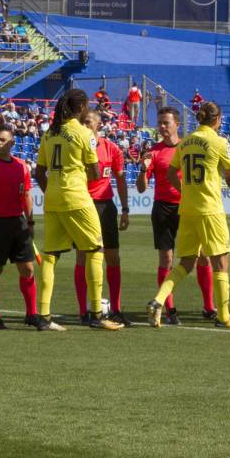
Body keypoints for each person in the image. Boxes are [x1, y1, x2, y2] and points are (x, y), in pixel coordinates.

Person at [147, 102, 230, 329]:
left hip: (188, 209)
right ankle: (224, 317)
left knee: (185, 262)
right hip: (210, 209)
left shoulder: (187, 142)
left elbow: (171, 172)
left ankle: (159, 300)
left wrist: (184, 191)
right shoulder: (219, 141)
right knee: (221, 263)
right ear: (217, 119)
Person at [32, 89, 122, 331]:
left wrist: (52, 191)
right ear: (81, 107)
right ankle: (96, 314)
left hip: (52, 199)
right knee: (95, 249)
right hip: (77, 197)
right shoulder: (84, 133)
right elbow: (94, 172)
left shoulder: (49, 134)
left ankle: (44, 316)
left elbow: (38, 172)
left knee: (50, 256)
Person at [138, 107, 213, 324]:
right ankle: (169, 310)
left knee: (202, 256)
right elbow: (142, 188)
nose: (162, 127)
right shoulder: (154, 152)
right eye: (159, 123)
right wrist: (143, 169)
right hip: (163, 208)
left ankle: (209, 306)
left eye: (166, 123)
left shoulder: (187, 147)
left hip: (188, 207)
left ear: (177, 125)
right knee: (167, 259)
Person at [0, 125, 42, 330]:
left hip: (18, 222)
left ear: (12, 143)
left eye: (2, 139)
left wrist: (30, 222)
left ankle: (31, 314)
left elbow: (26, 195)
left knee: (28, 269)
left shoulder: (22, 166)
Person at [73, 110, 131, 326]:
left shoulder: (111, 148)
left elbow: (121, 179)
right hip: (82, 205)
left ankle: (115, 308)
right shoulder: (76, 148)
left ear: (98, 125)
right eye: (82, 122)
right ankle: (83, 312)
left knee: (113, 257)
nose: (85, 126)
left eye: (89, 122)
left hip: (106, 207)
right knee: (83, 257)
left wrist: (125, 209)